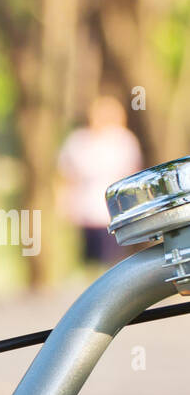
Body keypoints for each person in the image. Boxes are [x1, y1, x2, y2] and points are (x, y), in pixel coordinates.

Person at [57, 96, 142, 267]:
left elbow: (132, 174)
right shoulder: (78, 141)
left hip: (114, 212)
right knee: (89, 261)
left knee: (112, 259)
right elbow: (66, 175)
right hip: (86, 210)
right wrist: (64, 203)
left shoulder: (123, 141)